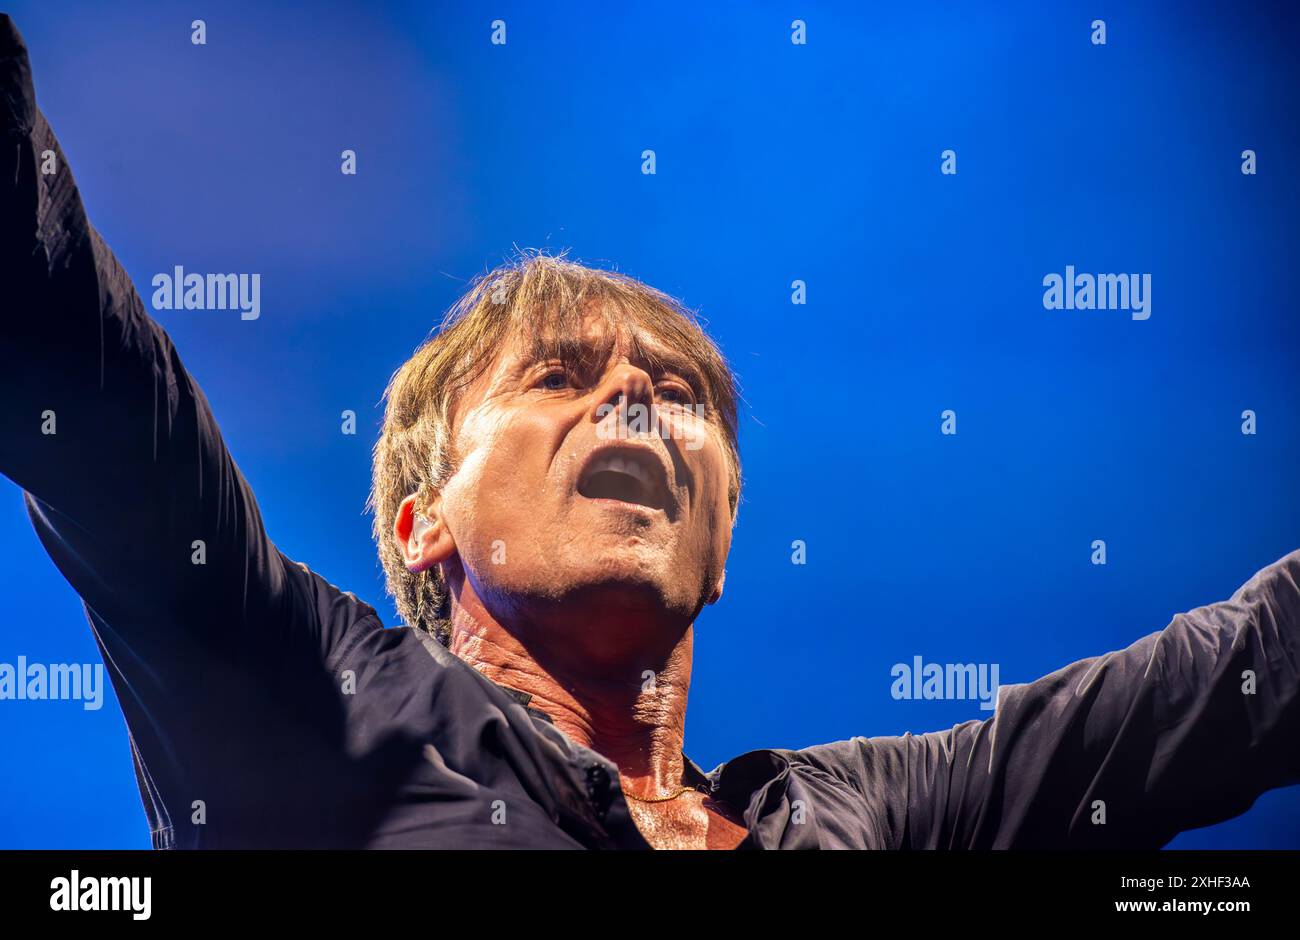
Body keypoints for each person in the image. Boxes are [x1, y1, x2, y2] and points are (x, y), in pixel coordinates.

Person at [2, 15, 1298, 850]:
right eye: (559, 377)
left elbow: (1244, 681)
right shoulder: (309, 710)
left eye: (683, 396)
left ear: (722, 535)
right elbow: (91, 388)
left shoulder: (873, 820)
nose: (637, 400)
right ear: (422, 518)